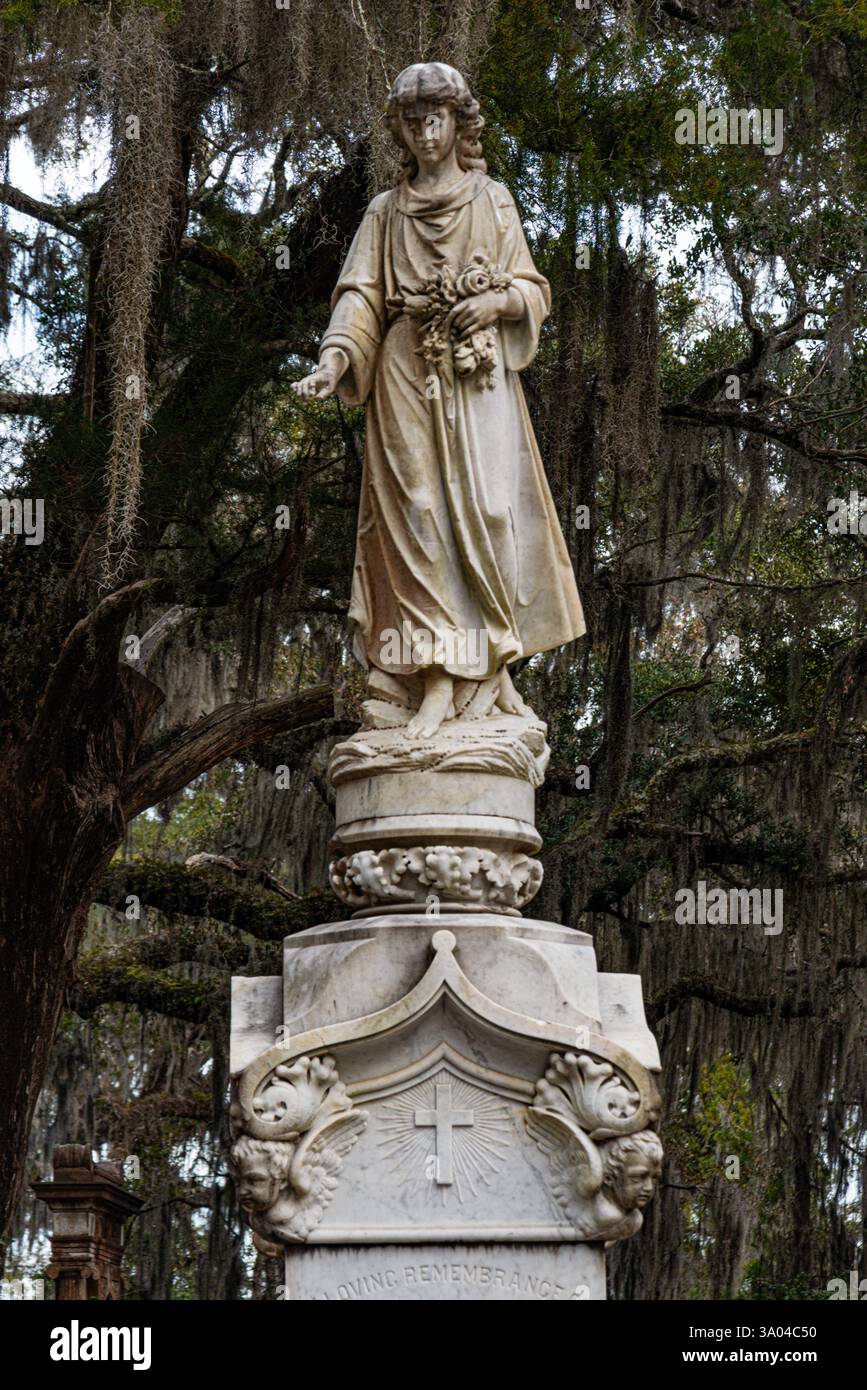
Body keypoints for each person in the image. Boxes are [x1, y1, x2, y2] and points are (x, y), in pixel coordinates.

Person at [293, 62, 585, 738]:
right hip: (402, 368)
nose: (425, 132)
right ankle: (434, 679)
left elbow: (532, 291)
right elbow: (360, 297)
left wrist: (493, 301)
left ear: (459, 123)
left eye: (437, 118)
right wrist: (331, 360)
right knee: (417, 517)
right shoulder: (384, 212)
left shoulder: (491, 200)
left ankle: (491, 669)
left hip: (475, 371)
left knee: (488, 511)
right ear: (399, 129)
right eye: (411, 120)